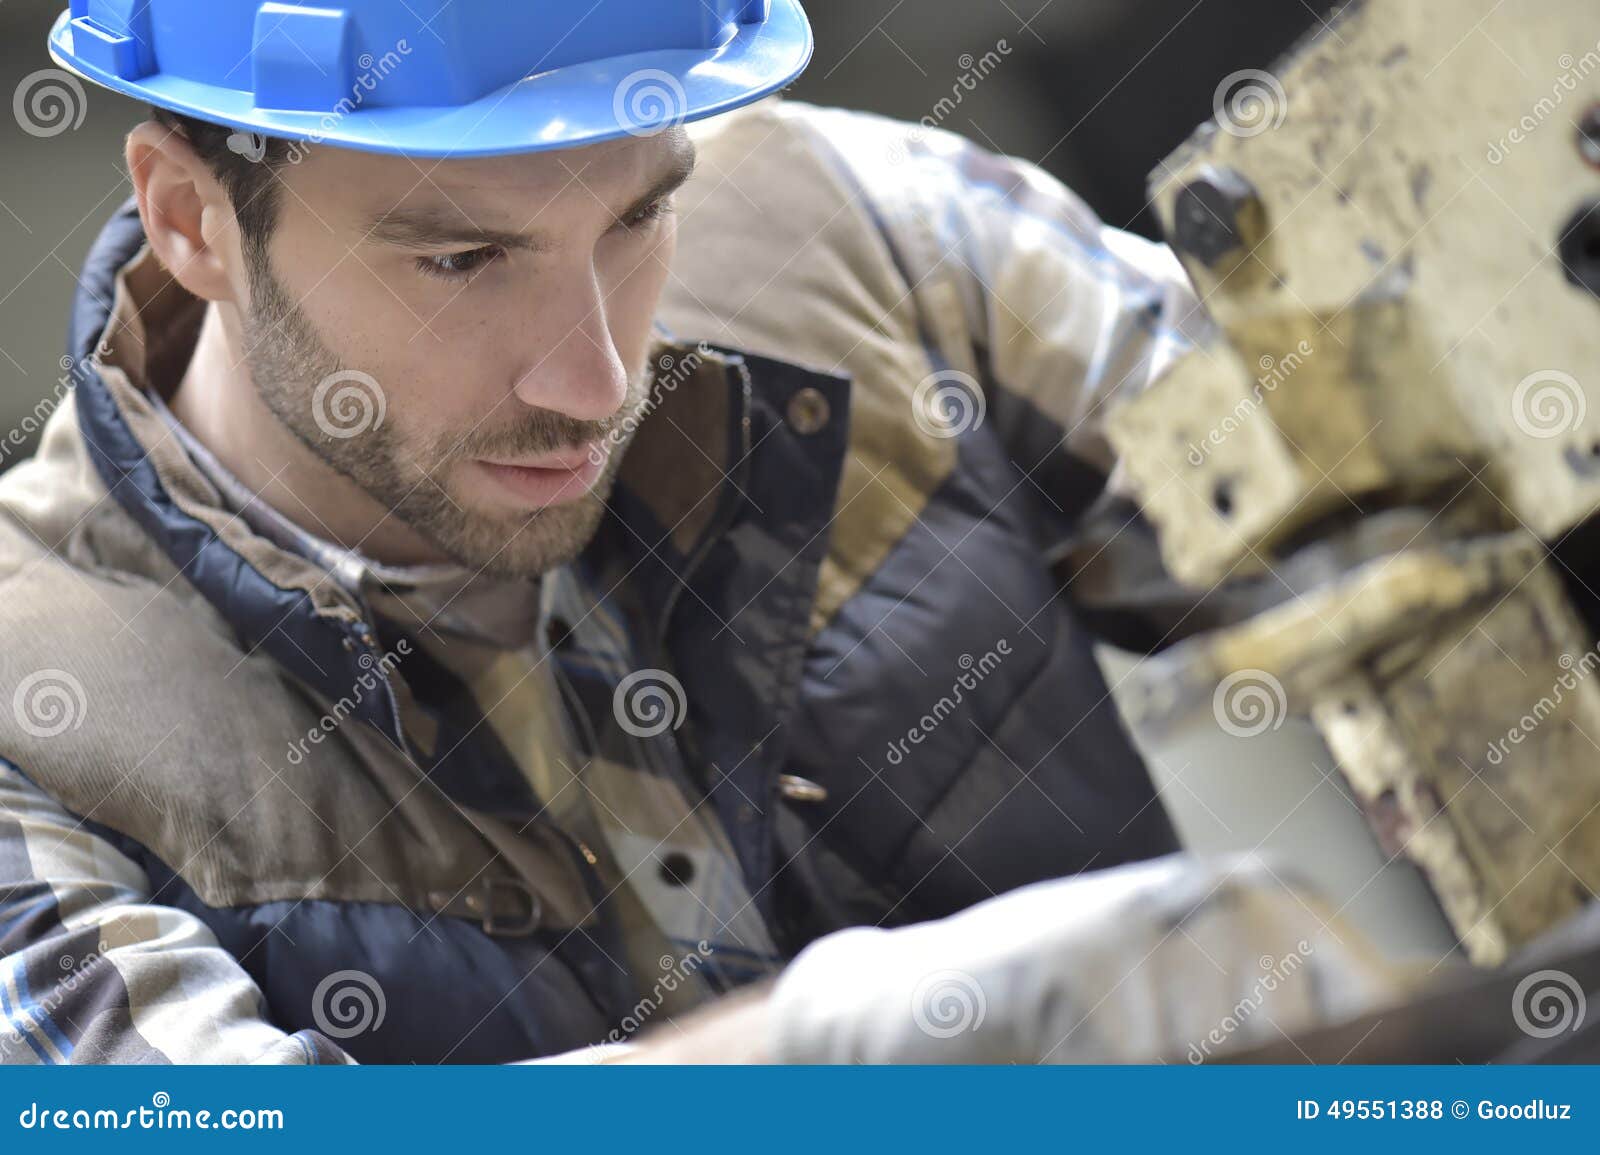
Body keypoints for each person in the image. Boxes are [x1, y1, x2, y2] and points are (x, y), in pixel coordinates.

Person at [0, 0, 1200, 1063]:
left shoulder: (863, 241)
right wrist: (836, 1044)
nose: (595, 380)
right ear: (190, 219)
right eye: (462, 258)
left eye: (638, 218)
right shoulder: (32, 722)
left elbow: (1351, 475)